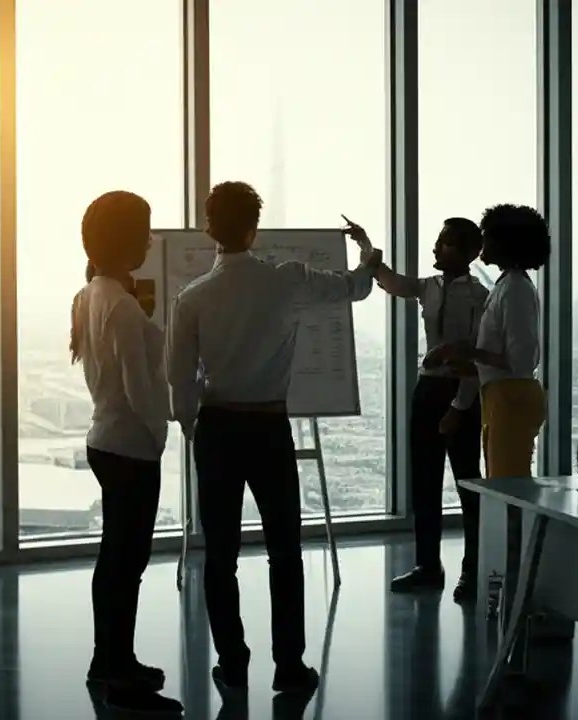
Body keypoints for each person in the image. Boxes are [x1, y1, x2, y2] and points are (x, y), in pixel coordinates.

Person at [166, 181, 380, 696]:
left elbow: (179, 379)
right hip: (269, 428)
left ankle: (232, 663)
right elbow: (356, 288)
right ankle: (289, 665)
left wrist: (192, 424)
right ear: (253, 229)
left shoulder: (191, 298)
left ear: (210, 228)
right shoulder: (287, 280)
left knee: (220, 554)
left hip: (217, 429)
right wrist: (368, 255)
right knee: (285, 550)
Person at [71, 191, 183, 716]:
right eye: (144, 232)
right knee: (127, 562)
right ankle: (119, 675)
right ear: (125, 240)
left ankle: (110, 660)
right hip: (131, 446)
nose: (150, 241)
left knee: (114, 559)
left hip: (105, 439)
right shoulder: (120, 304)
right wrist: (163, 432)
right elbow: (141, 391)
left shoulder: (90, 294)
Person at [343, 216, 490, 601]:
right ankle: (428, 566)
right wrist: (365, 244)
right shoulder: (429, 286)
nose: (436, 248)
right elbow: (391, 280)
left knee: (468, 482)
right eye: (438, 241)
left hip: (462, 391)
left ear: (469, 253)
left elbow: (477, 359)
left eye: (445, 243)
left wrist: (461, 405)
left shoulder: (480, 296)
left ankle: (472, 570)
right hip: (428, 390)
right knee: (423, 481)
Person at [433, 204, 548, 479]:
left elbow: (520, 361)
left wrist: (469, 352)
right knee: (501, 477)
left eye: (487, 235)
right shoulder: (506, 285)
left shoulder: (515, 290)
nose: (481, 241)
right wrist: (472, 364)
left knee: (507, 482)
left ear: (505, 241)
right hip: (501, 395)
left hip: (511, 398)